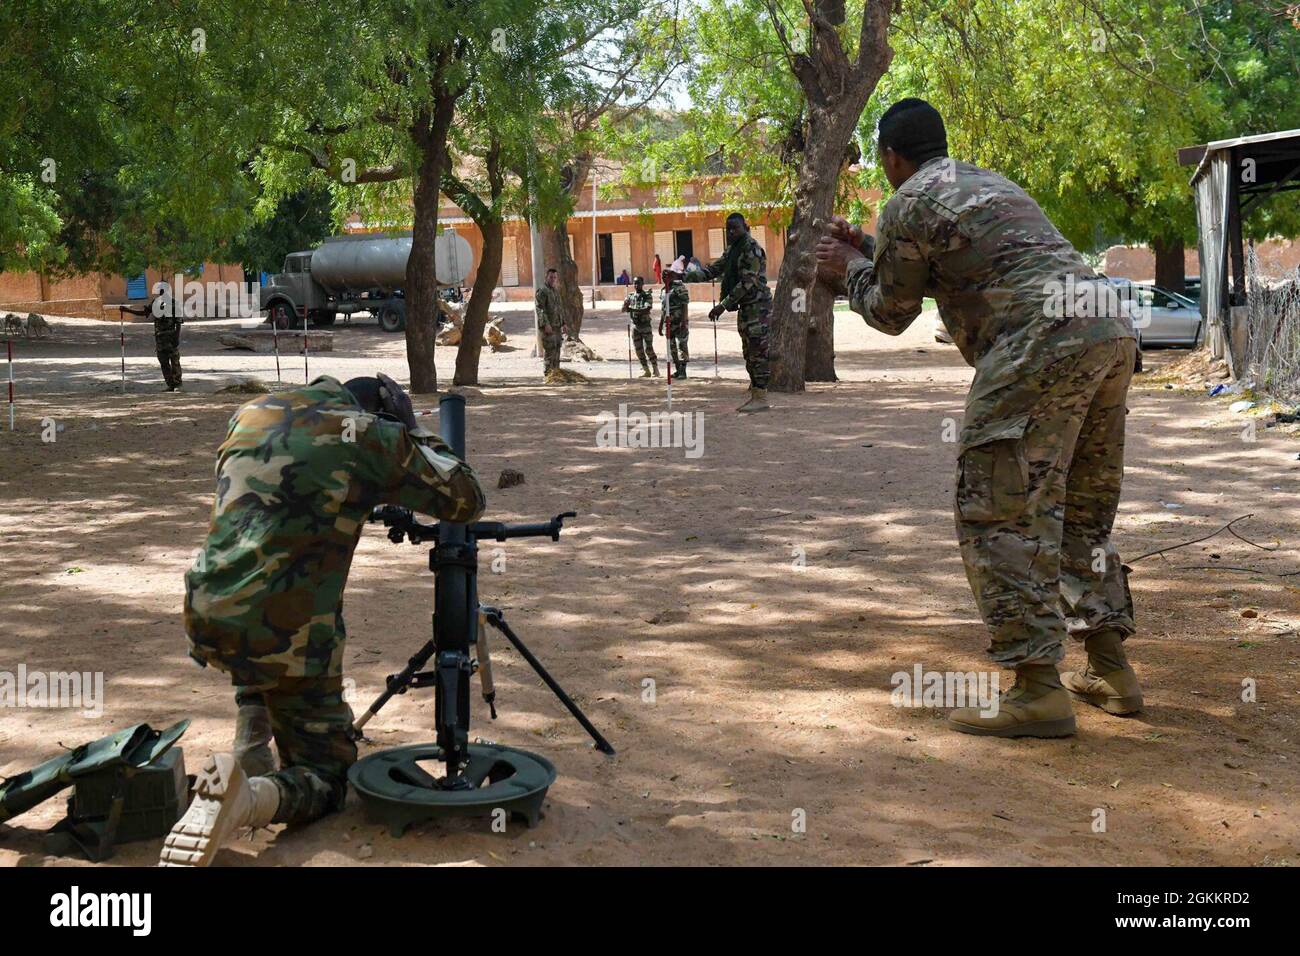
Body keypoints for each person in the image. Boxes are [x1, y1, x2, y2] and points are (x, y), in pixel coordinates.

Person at [815, 98, 1140, 738]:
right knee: (1077, 509)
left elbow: (889, 311)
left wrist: (847, 269)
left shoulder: (906, 199)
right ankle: (1111, 669)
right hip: (1108, 329)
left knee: (999, 507)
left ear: (890, 157)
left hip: (1039, 341)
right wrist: (873, 251)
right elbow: (960, 264)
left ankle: (1038, 689)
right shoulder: (981, 183)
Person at [161, 373, 486, 865]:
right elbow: (466, 496)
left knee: (265, 600)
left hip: (210, 610)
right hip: (283, 633)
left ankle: (249, 749)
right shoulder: (367, 434)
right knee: (329, 776)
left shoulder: (250, 414)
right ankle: (247, 801)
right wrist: (409, 431)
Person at [682, 213, 772, 412]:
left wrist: (722, 305)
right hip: (746, 309)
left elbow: (746, 283)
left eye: (735, 228)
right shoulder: (732, 251)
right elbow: (712, 270)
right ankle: (757, 396)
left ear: (745, 228)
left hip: (759, 309)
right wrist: (683, 276)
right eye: (728, 229)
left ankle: (761, 398)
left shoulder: (752, 249)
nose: (730, 232)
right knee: (749, 352)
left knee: (758, 352)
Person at [121, 298, 182, 390]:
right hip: (160, 339)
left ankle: (177, 383)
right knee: (163, 362)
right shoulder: (155, 302)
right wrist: (127, 310)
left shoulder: (174, 303)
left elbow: (178, 322)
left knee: (174, 361)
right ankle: (170, 384)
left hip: (170, 337)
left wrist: (176, 337)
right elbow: (144, 313)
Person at [659, 259, 690, 379]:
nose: (664, 278)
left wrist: (684, 321)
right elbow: (663, 308)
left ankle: (683, 371)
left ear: (672, 276)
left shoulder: (679, 287)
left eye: (666, 276)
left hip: (679, 322)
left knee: (681, 346)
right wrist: (661, 324)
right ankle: (677, 370)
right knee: (672, 348)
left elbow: (685, 304)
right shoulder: (663, 291)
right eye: (662, 277)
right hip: (669, 323)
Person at [622, 275, 659, 377]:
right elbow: (623, 310)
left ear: (642, 284)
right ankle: (646, 370)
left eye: (638, 283)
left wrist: (632, 309)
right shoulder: (630, 296)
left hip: (645, 325)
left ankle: (655, 368)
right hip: (635, 326)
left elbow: (647, 309)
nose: (636, 285)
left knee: (648, 348)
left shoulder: (647, 295)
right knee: (638, 349)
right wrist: (625, 305)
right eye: (635, 283)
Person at [535, 268, 563, 376]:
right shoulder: (542, 291)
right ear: (546, 277)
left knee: (557, 350)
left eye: (555, 277)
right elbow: (540, 309)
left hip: (557, 326)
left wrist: (563, 323)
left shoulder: (555, 291)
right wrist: (546, 324)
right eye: (551, 277)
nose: (553, 279)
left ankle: (556, 375)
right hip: (548, 327)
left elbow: (560, 308)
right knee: (550, 351)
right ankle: (548, 375)